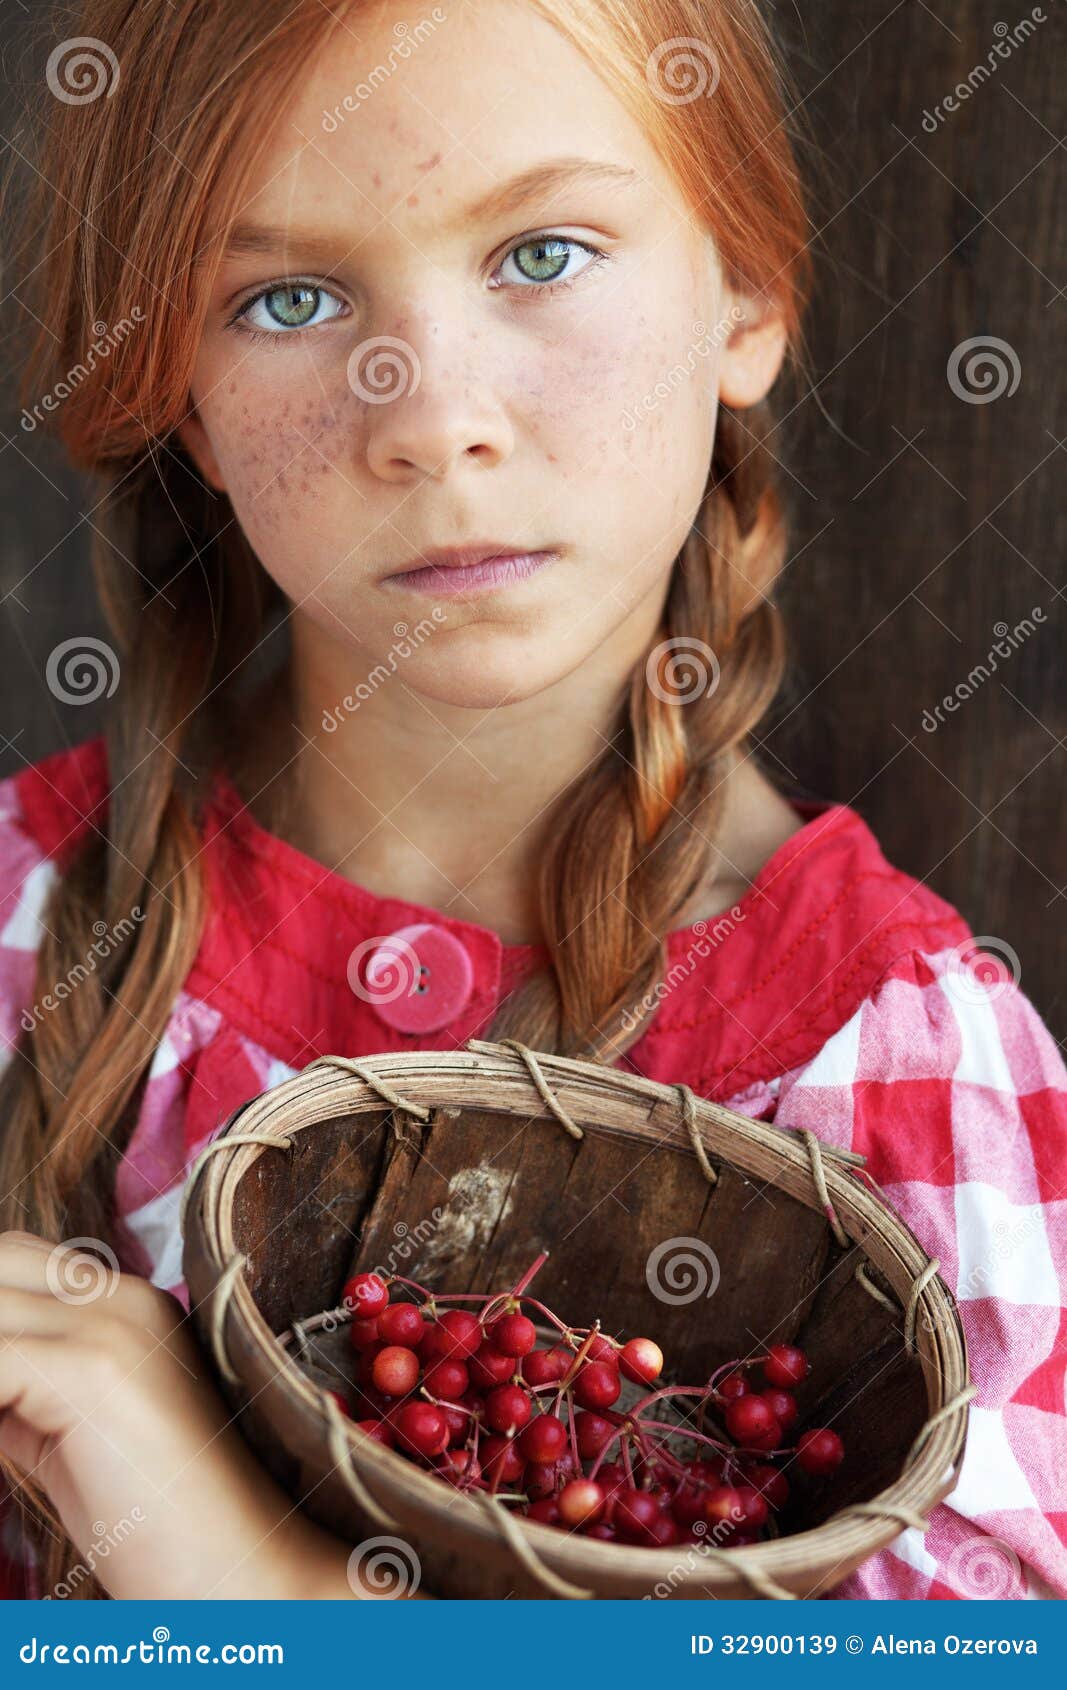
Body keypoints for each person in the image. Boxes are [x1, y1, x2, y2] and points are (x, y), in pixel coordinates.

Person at [0, 0, 1063, 1602]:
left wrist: (265, 1591)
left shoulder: (898, 1080)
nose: (434, 421)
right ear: (186, 402)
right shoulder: (31, 932)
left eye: (543, 255)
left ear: (747, 291)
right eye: (288, 297)